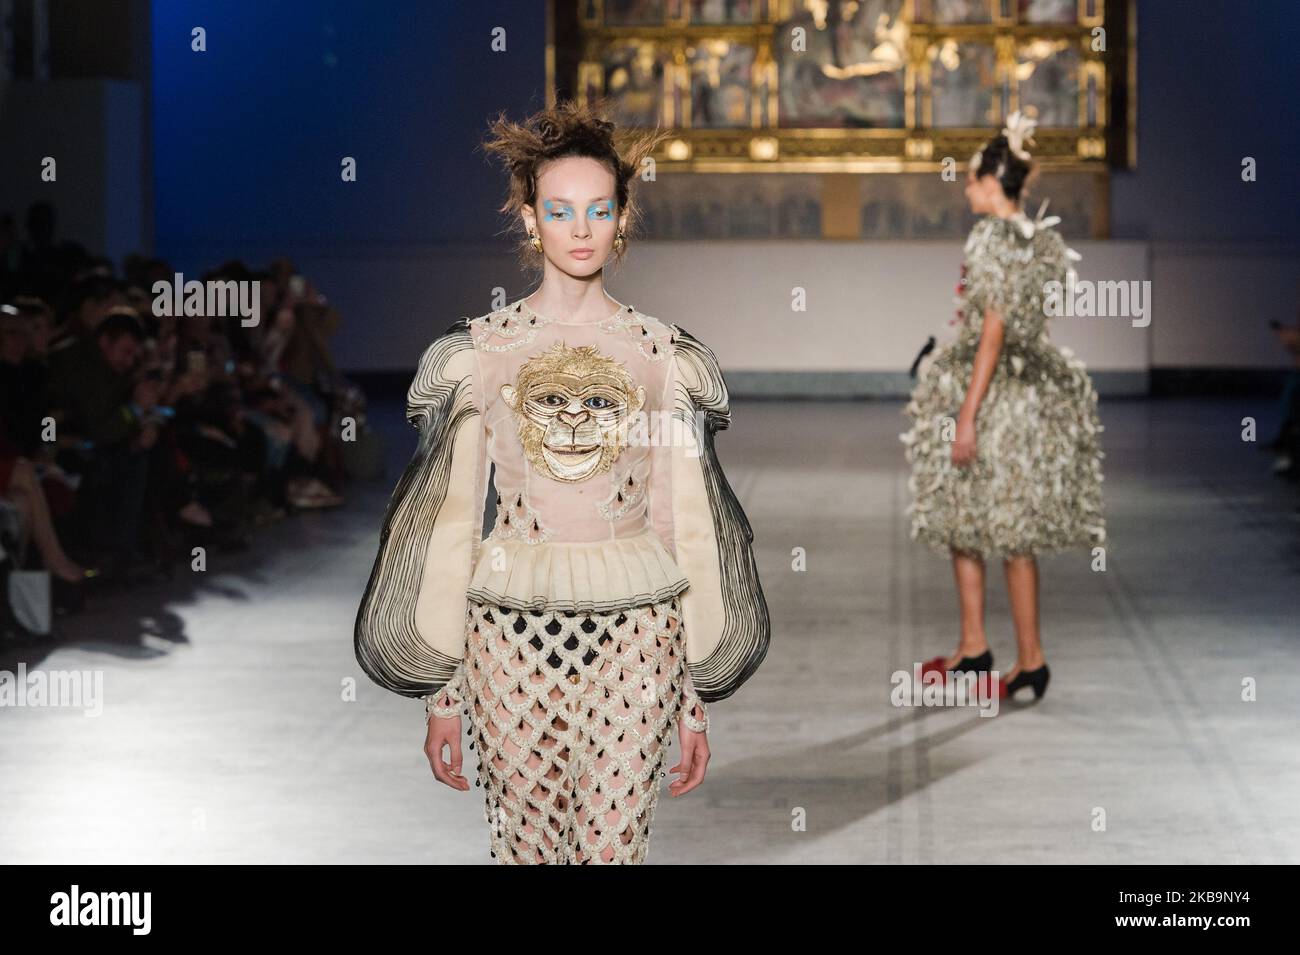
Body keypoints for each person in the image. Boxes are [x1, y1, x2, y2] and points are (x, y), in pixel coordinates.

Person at [355, 100, 769, 863]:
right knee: (529, 850)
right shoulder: (483, 351)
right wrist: (444, 693)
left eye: (599, 210)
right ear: (529, 219)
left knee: (612, 850)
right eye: (560, 210)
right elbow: (453, 521)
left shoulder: (660, 355)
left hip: (639, 631)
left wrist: (693, 698)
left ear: (622, 219)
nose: (581, 229)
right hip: (508, 629)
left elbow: (683, 519)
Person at [899, 111, 1106, 703]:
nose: (965, 190)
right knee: (995, 522)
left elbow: (992, 330)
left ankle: (1015, 655)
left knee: (982, 522)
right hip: (1030, 394)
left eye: (970, 180)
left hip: (991, 395)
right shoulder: (1041, 239)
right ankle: (984, 649)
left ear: (993, 183)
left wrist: (966, 414)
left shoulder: (990, 238)